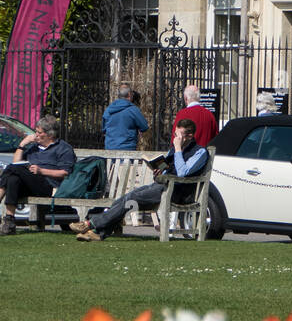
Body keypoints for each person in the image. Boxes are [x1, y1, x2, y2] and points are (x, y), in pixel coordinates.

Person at [72, 118, 208, 242]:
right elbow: (168, 170)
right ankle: (97, 233)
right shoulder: (174, 150)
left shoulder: (199, 152)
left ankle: (91, 224)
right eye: (175, 135)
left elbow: (183, 173)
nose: (175, 139)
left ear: (189, 136)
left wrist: (178, 149)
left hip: (178, 192)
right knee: (125, 199)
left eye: (179, 135)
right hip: (161, 186)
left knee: (131, 198)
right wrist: (158, 171)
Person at [0, 116, 76, 236]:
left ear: (50, 135)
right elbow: (16, 163)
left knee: (13, 169)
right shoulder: (33, 147)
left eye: (39, 132)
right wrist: (22, 144)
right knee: (12, 179)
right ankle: (9, 222)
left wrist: (42, 171)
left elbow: (65, 172)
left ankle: (8, 219)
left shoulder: (64, 148)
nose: (35, 135)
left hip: (49, 186)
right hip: (30, 185)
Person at [102, 84, 149, 151]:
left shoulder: (108, 109)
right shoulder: (133, 110)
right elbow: (144, 127)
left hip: (109, 148)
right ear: (129, 95)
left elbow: (104, 129)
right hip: (127, 149)